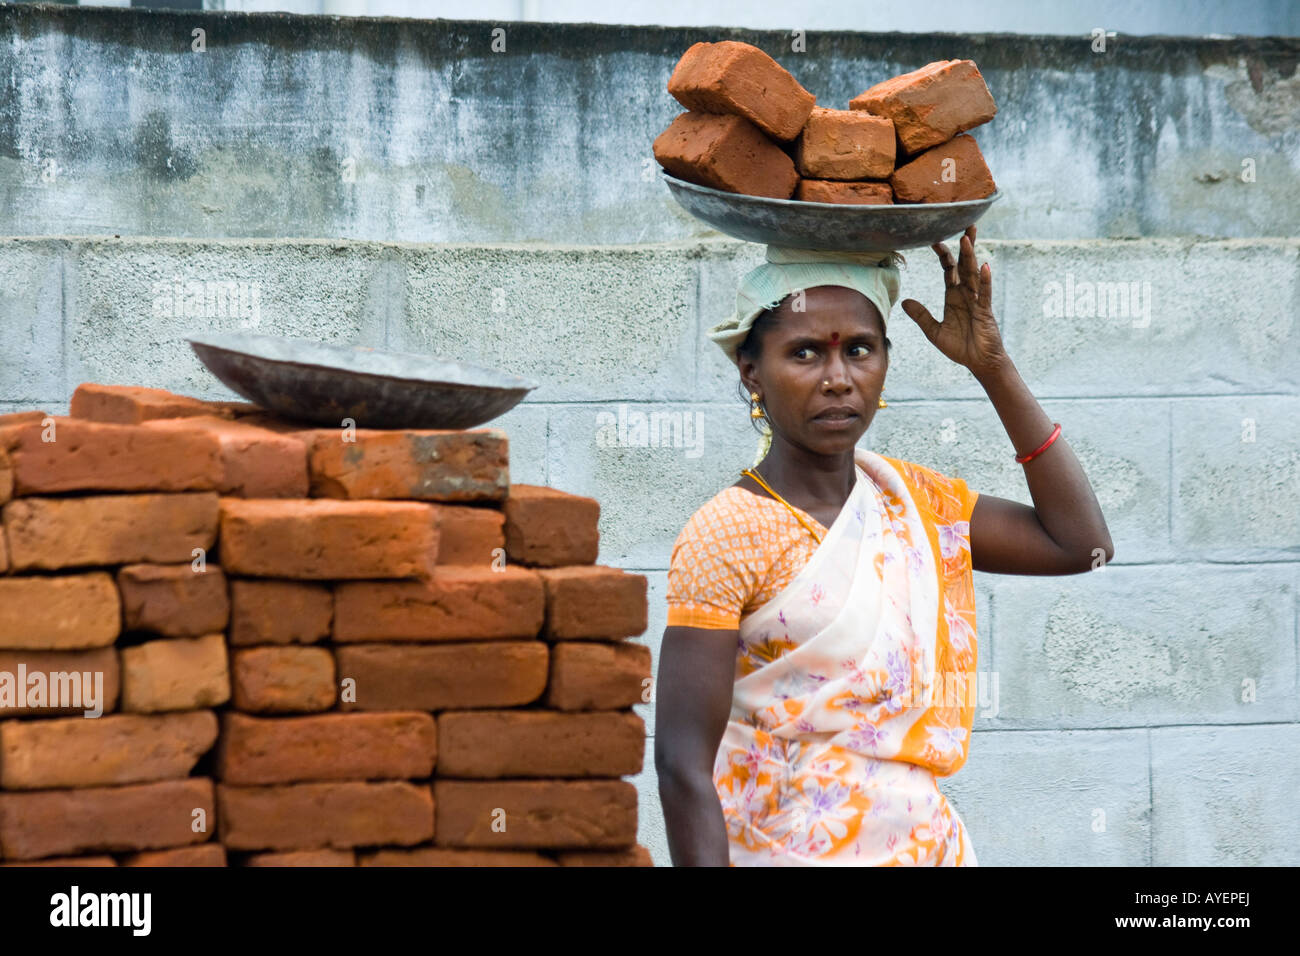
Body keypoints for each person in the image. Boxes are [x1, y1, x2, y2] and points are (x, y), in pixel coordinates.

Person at [654, 225, 1114, 866]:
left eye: (861, 351)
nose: (839, 378)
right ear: (751, 371)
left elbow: (1079, 544)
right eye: (806, 354)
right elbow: (680, 765)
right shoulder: (728, 531)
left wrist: (993, 367)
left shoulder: (914, 503)